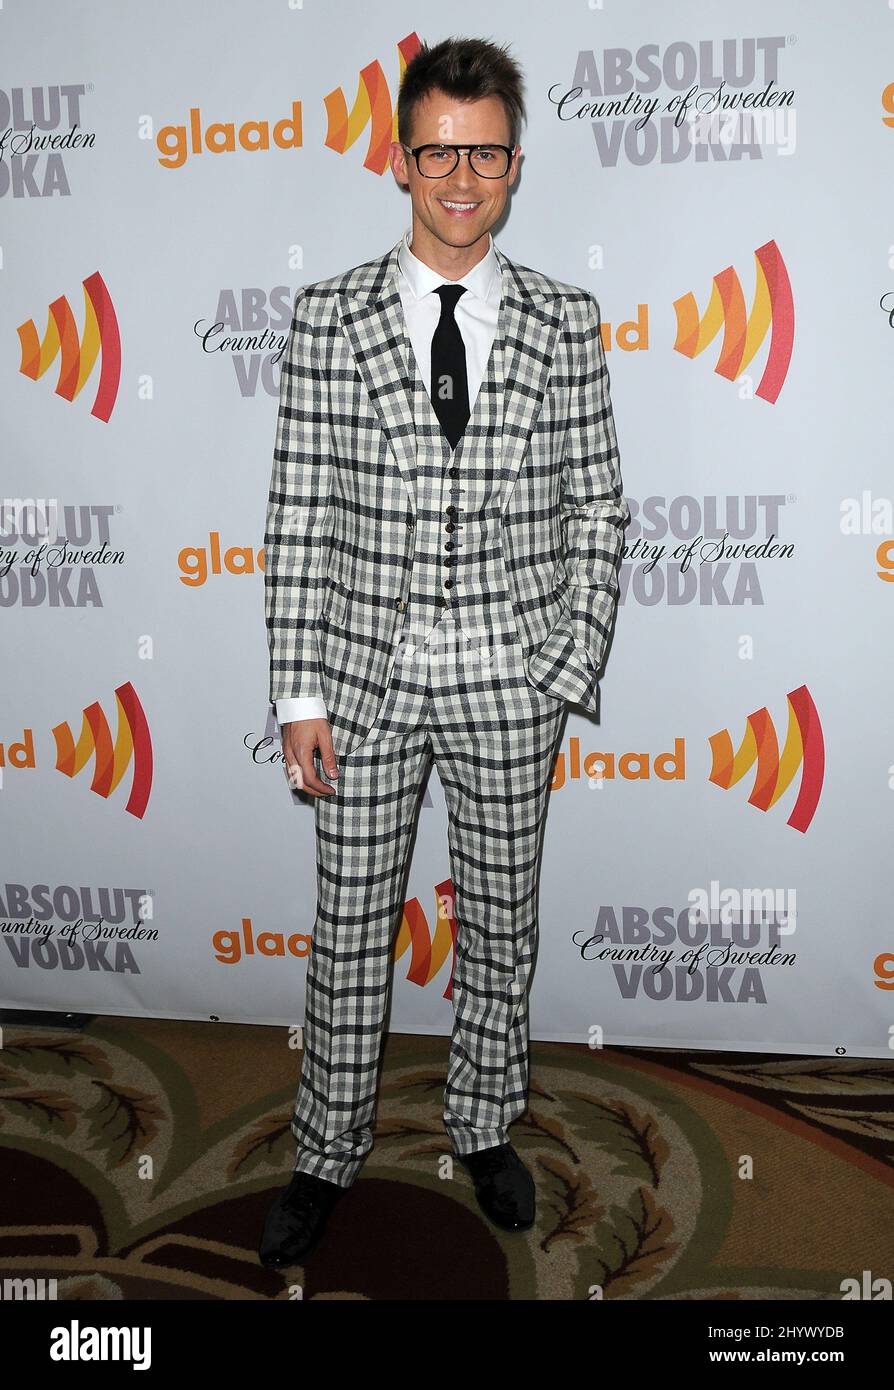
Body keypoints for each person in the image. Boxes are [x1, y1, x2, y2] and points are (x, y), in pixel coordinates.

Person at [259, 34, 629, 1267]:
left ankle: (481, 1125)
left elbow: (598, 507)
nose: (459, 176)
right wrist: (299, 690)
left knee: (504, 926)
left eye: (484, 153)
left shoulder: (566, 322)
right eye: (437, 150)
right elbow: (301, 512)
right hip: (364, 680)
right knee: (353, 918)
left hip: (509, 679)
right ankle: (325, 1147)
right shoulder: (328, 316)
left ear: (514, 164)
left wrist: (565, 665)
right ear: (402, 158)